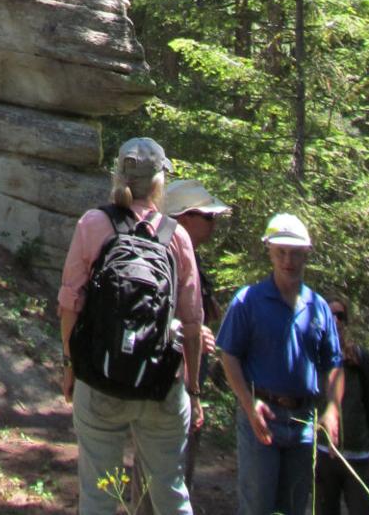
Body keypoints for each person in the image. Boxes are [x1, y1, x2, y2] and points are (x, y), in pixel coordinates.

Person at [58, 136, 204, 515]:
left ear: (117, 175)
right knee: (171, 494)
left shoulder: (93, 223)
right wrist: (193, 387)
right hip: (160, 384)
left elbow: (70, 304)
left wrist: (70, 363)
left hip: (99, 377)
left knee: (97, 496)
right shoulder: (177, 235)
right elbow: (191, 323)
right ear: (159, 183)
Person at [216, 211, 343, 515]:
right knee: (258, 505)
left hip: (303, 421)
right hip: (261, 416)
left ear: (306, 254)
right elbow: (228, 354)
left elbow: (333, 362)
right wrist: (247, 403)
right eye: (281, 252)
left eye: (295, 253)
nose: (288, 260)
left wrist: (333, 408)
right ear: (270, 253)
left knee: (295, 506)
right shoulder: (248, 300)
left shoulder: (319, 307)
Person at [134, 176, 229, 512]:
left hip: (179, 384)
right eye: (209, 217)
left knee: (171, 478)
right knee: (161, 481)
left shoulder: (186, 256)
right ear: (186, 217)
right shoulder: (162, 252)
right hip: (166, 384)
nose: (214, 224)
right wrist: (186, 333)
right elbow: (144, 315)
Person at [314, 295, 369, 515]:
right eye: (330, 314)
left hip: (359, 456)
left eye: (340, 315)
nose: (335, 320)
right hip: (325, 454)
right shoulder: (316, 356)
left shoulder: (359, 357)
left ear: (346, 321)